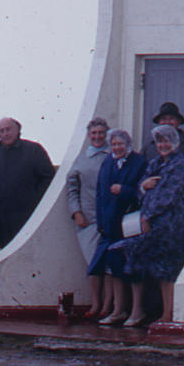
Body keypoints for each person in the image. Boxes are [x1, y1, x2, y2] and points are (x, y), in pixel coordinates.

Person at [122, 124, 184, 328]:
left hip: (172, 222)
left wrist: (147, 216)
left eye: (166, 141)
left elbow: (167, 195)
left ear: (175, 142)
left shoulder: (181, 164)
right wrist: (143, 187)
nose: (163, 145)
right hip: (152, 223)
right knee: (149, 265)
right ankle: (149, 311)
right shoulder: (154, 163)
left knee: (168, 268)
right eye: (159, 141)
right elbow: (141, 185)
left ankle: (168, 314)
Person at [90, 128, 147, 326]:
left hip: (130, 224)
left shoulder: (139, 162)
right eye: (114, 144)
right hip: (110, 224)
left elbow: (143, 192)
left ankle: (136, 311)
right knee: (114, 267)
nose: (117, 148)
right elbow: (99, 193)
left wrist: (124, 190)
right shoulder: (107, 162)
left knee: (132, 267)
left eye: (120, 144)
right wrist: (101, 221)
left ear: (128, 144)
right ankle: (118, 310)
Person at [0, 117, 54, 247]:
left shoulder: (34, 150)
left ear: (18, 129)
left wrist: (35, 199)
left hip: (28, 214)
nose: (5, 133)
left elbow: (48, 177)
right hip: (1, 216)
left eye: (8, 129)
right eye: (1, 131)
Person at [65, 116, 109, 318]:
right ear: (89, 135)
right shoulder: (81, 158)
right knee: (93, 263)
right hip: (87, 220)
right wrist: (76, 212)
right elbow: (72, 188)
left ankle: (109, 306)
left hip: (110, 218)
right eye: (94, 133)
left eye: (101, 133)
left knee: (111, 264)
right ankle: (95, 304)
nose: (98, 136)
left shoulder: (113, 155)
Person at [142, 103, 184, 236]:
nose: (167, 122)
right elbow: (140, 179)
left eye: (171, 118)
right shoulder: (148, 149)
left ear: (178, 122)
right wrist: (143, 186)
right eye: (163, 119)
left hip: (177, 220)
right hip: (151, 221)